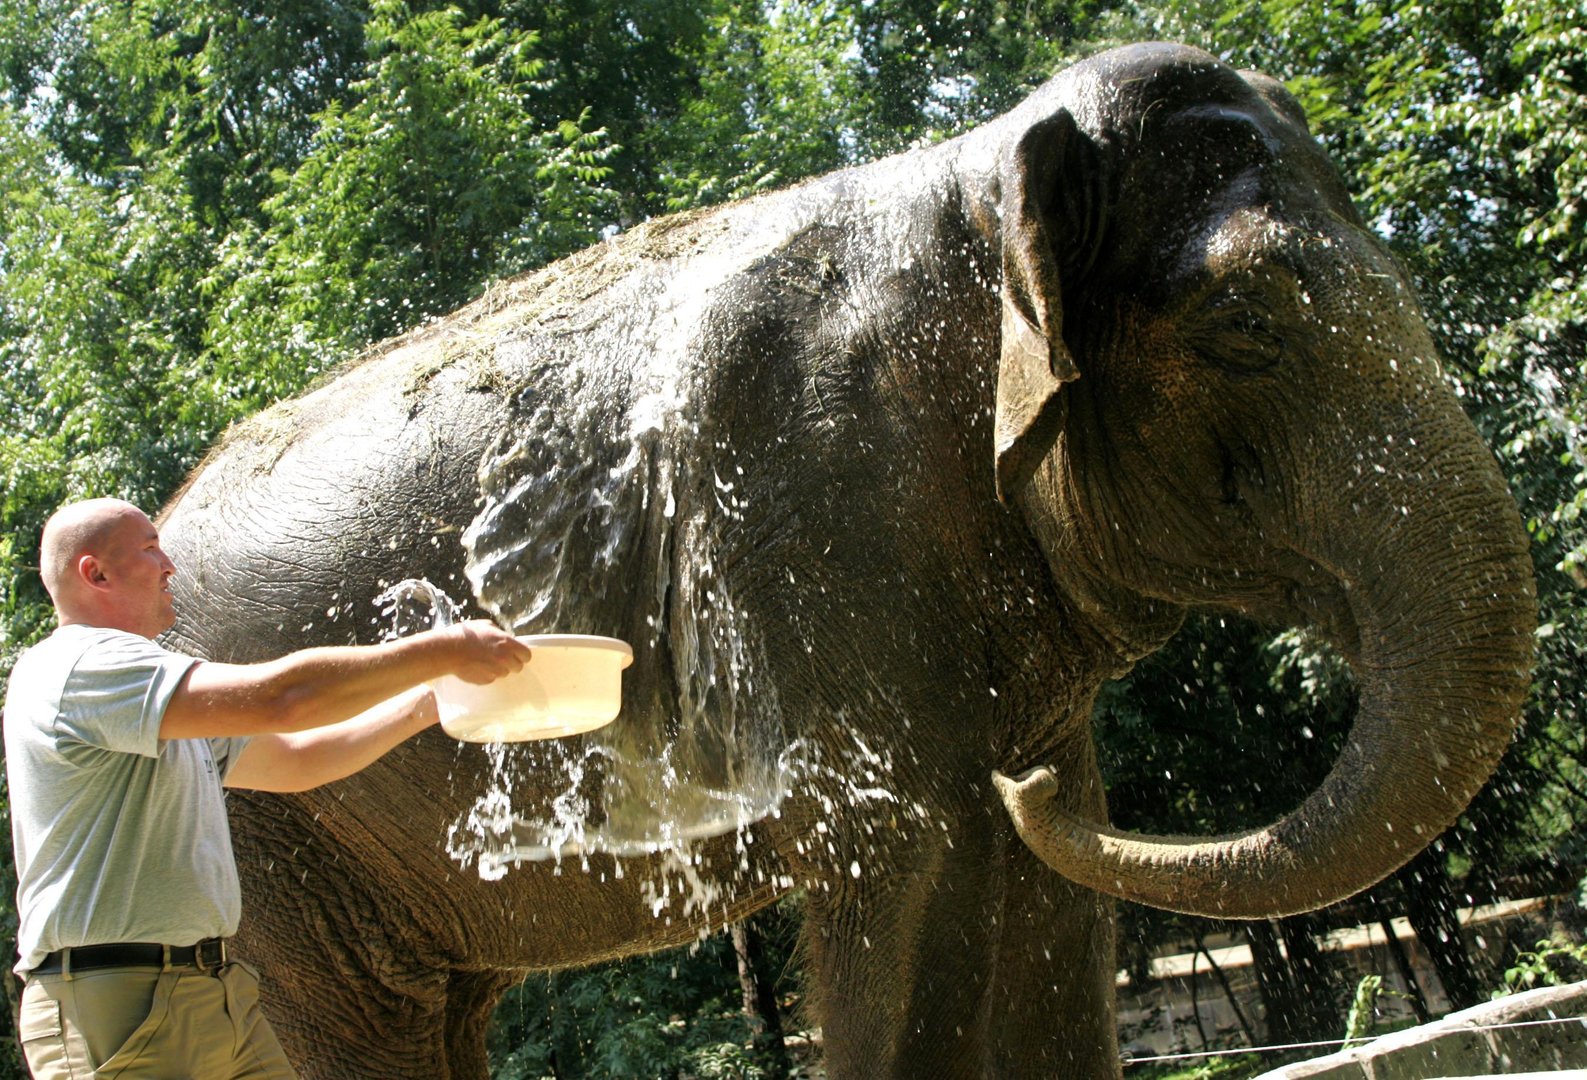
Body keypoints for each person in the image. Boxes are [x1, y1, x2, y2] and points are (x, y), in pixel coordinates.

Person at [3, 497, 531, 1078]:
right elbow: (284, 699)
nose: (169, 565)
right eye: (150, 549)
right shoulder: (81, 666)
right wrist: (442, 651)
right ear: (95, 573)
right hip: (116, 1003)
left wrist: (431, 697)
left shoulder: (149, 697)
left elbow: (301, 759)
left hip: (208, 989)